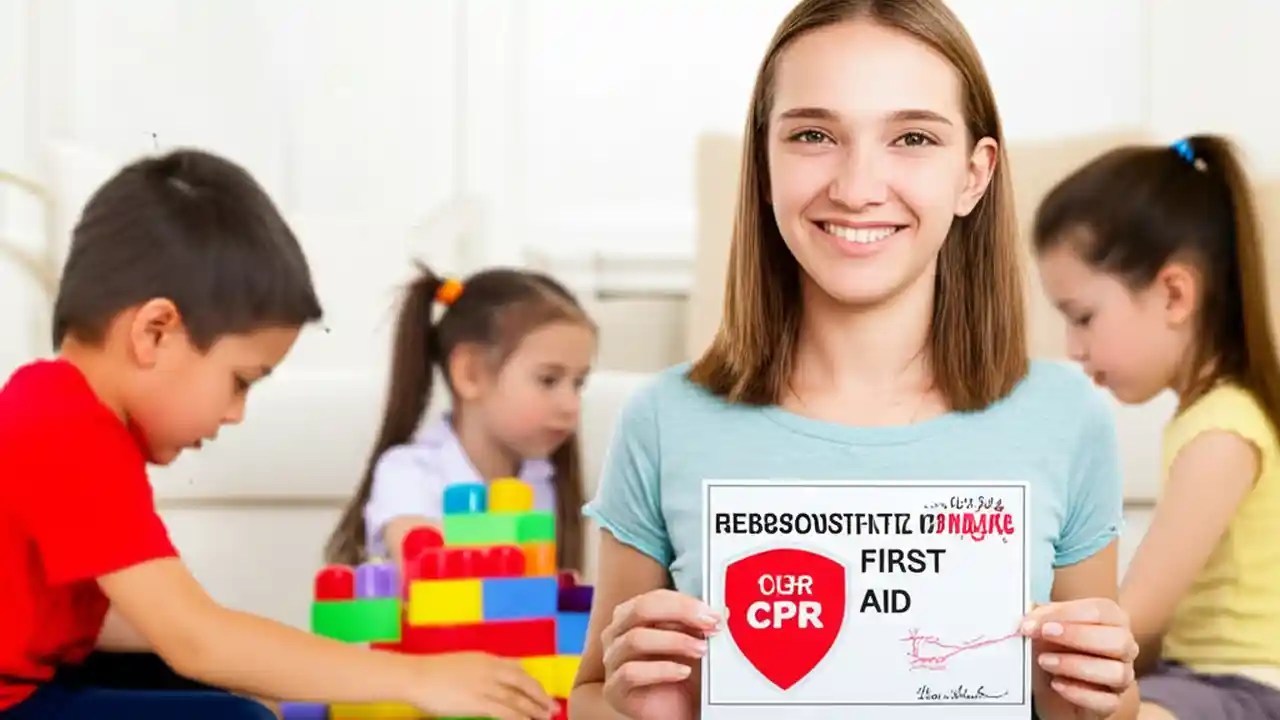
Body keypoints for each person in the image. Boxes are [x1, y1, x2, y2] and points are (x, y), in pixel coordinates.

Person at [567, 1, 1140, 718]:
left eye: (911, 138)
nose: (858, 186)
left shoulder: (1065, 418)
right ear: (764, 163)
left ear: (973, 174)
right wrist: (639, 705)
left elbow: (1093, 707)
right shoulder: (663, 419)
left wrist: (1093, 695)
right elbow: (590, 695)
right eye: (813, 134)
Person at [0, 148, 558, 720]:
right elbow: (195, 640)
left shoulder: (69, 416)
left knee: (240, 692)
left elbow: (102, 625)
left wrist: (282, 660)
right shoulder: (65, 428)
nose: (237, 413)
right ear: (155, 332)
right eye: (241, 381)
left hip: (32, 682)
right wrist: (416, 676)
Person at [1034, 134, 1280, 719]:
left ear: (1174, 293)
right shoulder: (1212, 415)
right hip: (1196, 677)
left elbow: (1136, 619)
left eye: (1083, 318)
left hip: (1250, 688)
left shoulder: (1221, 434)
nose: (1073, 348)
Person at [323, 264, 595, 574]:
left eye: (579, 384)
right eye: (548, 380)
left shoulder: (543, 480)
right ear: (470, 373)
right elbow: (426, 567)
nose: (571, 405)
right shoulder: (410, 474)